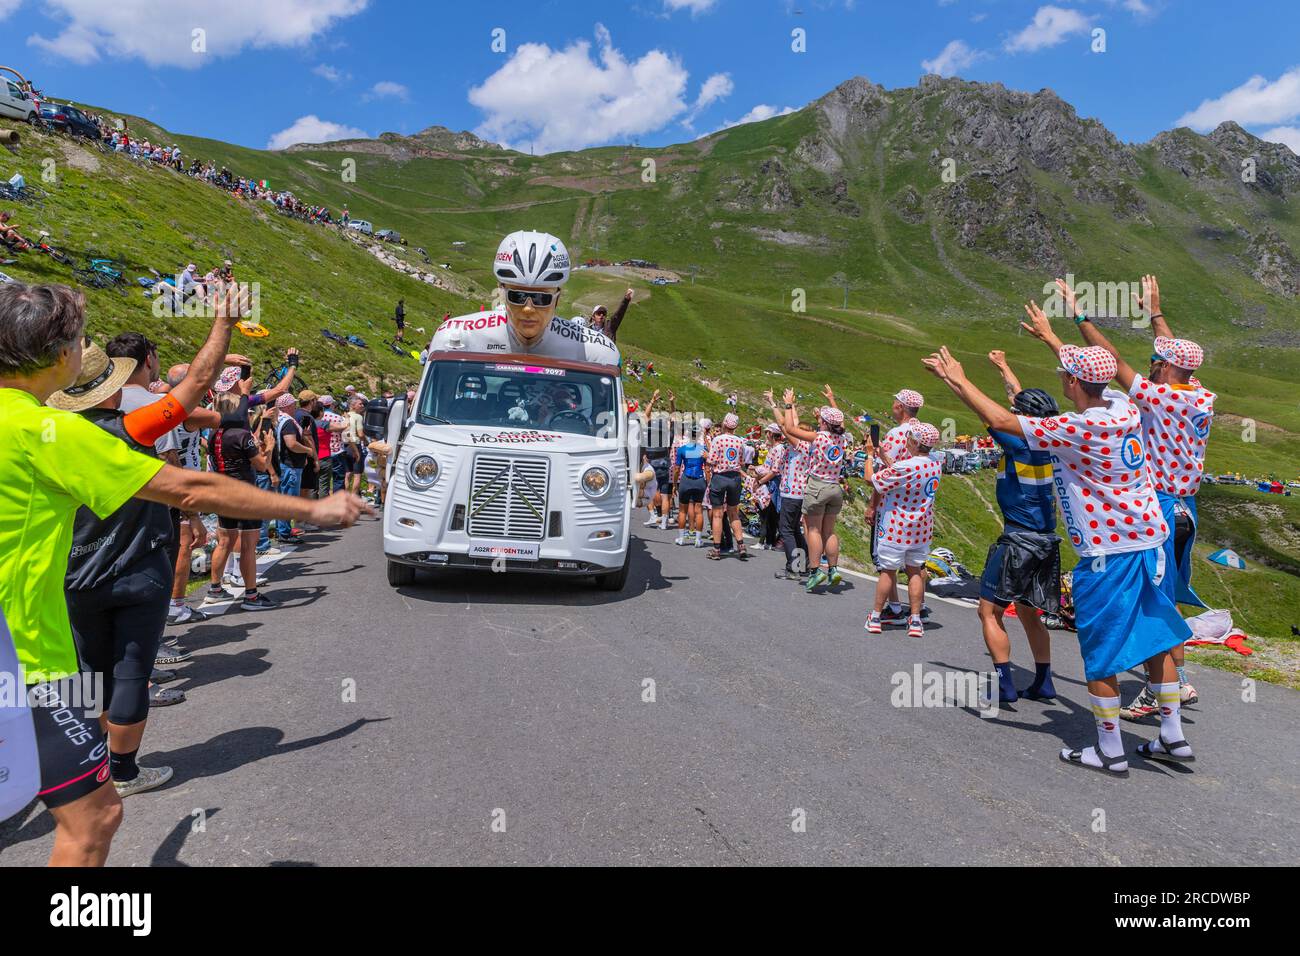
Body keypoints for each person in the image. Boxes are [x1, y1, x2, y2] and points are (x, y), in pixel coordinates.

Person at [0, 282, 369, 866]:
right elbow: (190, 485)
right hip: (30, 662)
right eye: (79, 340)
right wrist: (314, 507)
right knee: (94, 815)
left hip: (61, 613)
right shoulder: (52, 433)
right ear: (61, 354)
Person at [928, 310, 1193, 776]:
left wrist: (960, 379)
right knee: (1154, 640)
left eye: (1065, 374)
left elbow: (1003, 420)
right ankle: (1172, 735)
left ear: (1072, 382)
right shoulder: (1123, 407)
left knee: (1102, 651)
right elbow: (1096, 368)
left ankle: (1109, 749)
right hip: (1151, 542)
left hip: (1108, 553)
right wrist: (1052, 338)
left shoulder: (1077, 430)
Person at [55, 303, 240, 797]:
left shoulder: (43, 438)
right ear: (110, 388)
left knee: (86, 670)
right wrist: (222, 323)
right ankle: (125, 771)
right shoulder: (133, 427)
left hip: (74, 573)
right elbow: (199, 383)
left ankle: (87, 768)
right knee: (132, 669)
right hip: (139, 568)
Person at [1060, 275, 1212, 718]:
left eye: (1155, 362)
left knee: (1154, 598)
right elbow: (1173, 354)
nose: (1149, 366)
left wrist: (1078, 315)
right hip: (1189, 508)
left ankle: (1163, 690)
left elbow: (1110, 361)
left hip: (1159, 505)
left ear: (1164, 370)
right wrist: (1155, 314)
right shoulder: (1198, 394)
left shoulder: (1157, 396)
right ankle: (1174, 682)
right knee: (1170, 594)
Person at [950, 350, 1061, 703]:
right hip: (1046, 540)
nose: (1010, 413)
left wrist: (954, 379)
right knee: (1029, 612)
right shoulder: (1054, 440)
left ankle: (1004, 683)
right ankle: (1044, 680)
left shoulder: (1016, 443)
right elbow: (1017, 402)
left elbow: (988, 413)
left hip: (1017, 540)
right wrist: (1003, 368)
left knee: (989, 611)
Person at [428, 231, 620, 365]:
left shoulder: (597, 351)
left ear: (557, 299)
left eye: (541, 298)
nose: (528, 309)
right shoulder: (456, 336)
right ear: (502, 295)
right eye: (517, 296)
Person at [863, 421, 943, 637]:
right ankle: (915, 620)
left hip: (897, 527)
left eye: (910, 438)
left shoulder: (905, 466)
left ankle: (876, 617)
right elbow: (900, 473)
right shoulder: (935, 462)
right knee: (915, 571)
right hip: (921, 528)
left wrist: (870, 455)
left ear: (916, 442)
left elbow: (871, 480)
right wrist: (885, 457)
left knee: (888, 571)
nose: (906, 440)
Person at [202, 391, 277, 610]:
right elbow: (261, 465)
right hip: (244, 492)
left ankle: (215, 588)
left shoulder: (215, 434)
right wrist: (269, 447)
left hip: (224, 490)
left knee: (224, 541)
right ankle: (251, 596)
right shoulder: (241, 435)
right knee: (248, 546)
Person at [779, 387, 849, 592]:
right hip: (835, 487)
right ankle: (834, 569)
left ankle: (816, 569)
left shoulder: (820, 438)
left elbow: (790, 429)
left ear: (825, 423)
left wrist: (789, 404)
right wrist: (832, 400)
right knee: (830, 531)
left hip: (817, 486)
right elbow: (841, 423)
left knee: (813, 530)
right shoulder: (842, 438)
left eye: (821, 419)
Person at [875, 388, 925, 622]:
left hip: (893, 504)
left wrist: (871, 505)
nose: (893, 404)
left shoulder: (897, 433)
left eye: (895, 401)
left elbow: (884, 471)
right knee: (915, 563)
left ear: (902, 407)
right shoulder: (923, 432)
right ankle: (918, 608)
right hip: (919, 505)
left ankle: (893, 608)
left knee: (889, 561)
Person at [763, 390, 809, 580]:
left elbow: (785, 426)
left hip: (792, 493)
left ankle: (793, 567)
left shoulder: (799, 444)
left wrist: (774, 404)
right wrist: (791, 405)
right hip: (801, 493)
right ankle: (804, 565)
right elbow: (792, 423)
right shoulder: (809, 444)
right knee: (795, 530)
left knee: (786, 530)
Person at [704, 413, 750, 560]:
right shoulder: (740, 441)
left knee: (717, 514)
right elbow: (742, 461)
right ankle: (741, 545)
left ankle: (717, 549)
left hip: (720, 476)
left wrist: (706, 456)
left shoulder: (718, 440)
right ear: (735, 426)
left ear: (724, 424)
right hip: (735, 478)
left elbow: (711, 460)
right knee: (733, 513)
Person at [273, 393, 315, 540]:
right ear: (288, 406)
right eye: (293, 404)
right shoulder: (288, 422)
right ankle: (284, 532)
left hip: (284, 464)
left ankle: (282, 529)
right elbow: (291, 444)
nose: (295, 407)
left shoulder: (279, 420)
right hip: (290, 465)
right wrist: (308, 450)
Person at [672, 420, 709, 547]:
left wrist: (674, 483)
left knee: (682, 511)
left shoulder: (682, 449)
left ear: (688, 434)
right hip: (699, 480)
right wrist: (708, 483)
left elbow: (677, 468)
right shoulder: (703, 449)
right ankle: (698, 540)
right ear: (699, 435)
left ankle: (681, 539)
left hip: (686, 479)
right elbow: (708, 468)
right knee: (699, 511)